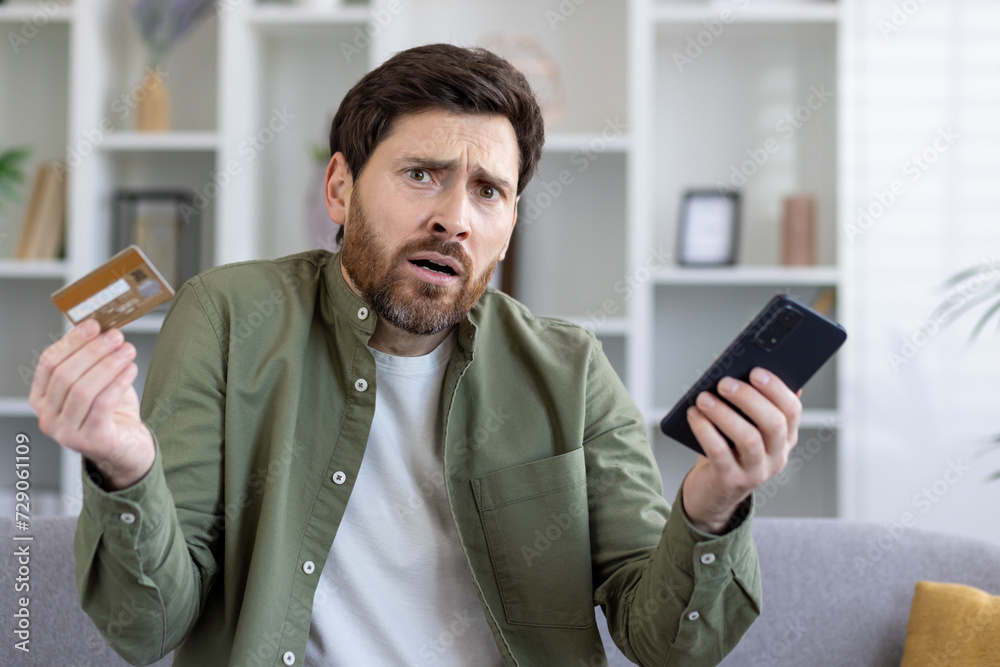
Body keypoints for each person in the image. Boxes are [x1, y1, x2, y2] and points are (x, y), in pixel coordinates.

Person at [29, 44, 801, 667]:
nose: (454, 218)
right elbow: (146, 625)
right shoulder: (227, 317)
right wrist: (124, 467)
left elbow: (666, 642)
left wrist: (714, 501)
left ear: (510, 223)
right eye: (422, 174)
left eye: (488, 191)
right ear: (340, 188)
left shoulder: (571, 370)